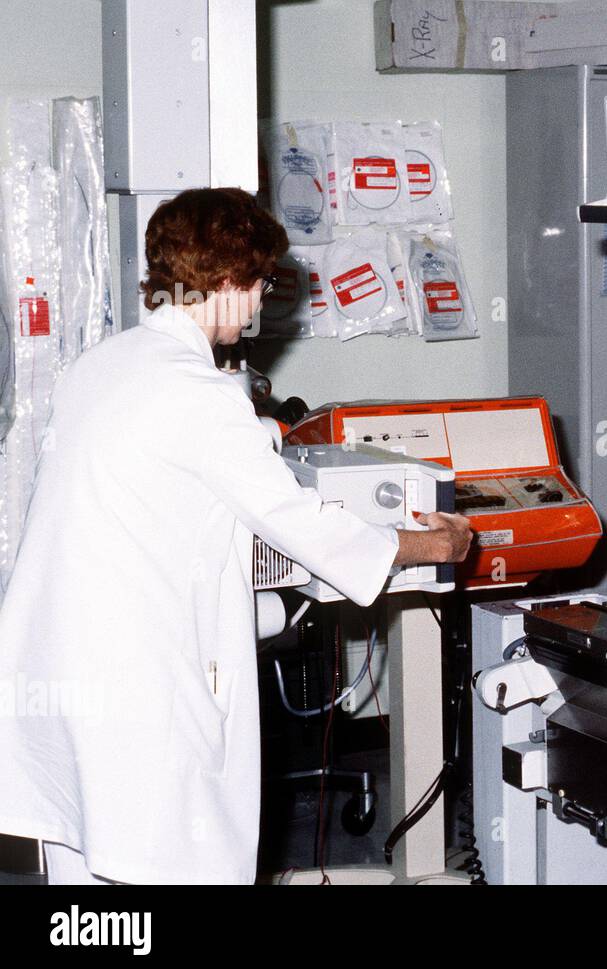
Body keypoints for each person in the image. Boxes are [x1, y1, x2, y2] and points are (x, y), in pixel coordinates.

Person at [0, 188, 473, 884]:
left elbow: (152, 512)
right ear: (224, 282)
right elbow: (303, 526)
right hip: (137, 688)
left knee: (87, 863)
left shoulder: (101, 366)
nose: (258, 305)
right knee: (165, 857)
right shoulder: (200, 393)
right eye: (256, 286)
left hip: (57, 669)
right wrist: (434, 544)